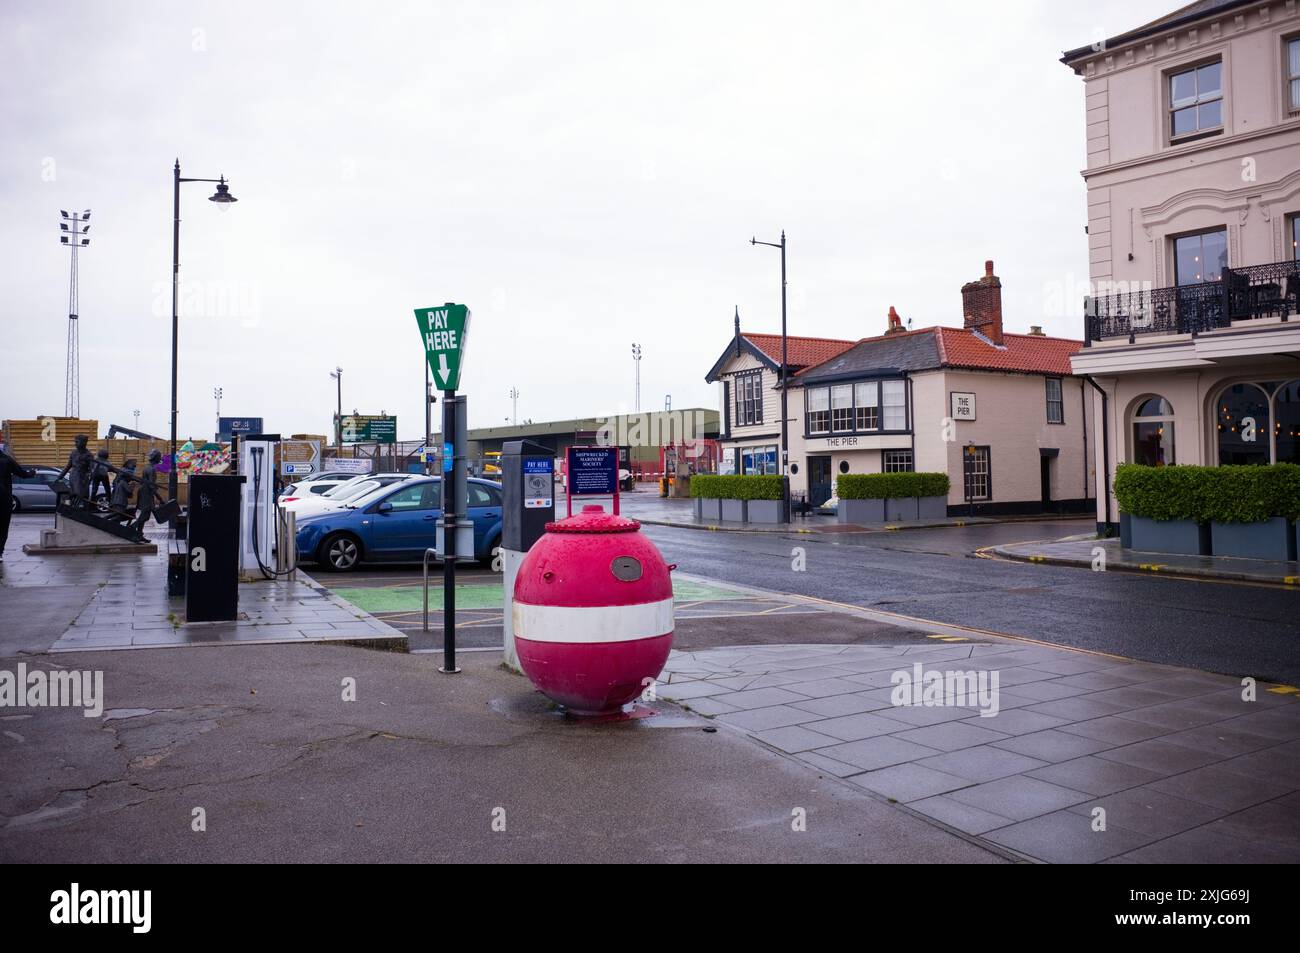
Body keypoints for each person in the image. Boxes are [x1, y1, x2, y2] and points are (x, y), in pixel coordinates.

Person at [0, 448, 36, 560]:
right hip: (3, 498)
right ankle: (0, 552)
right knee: (3, 527)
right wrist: (32, 472)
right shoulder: (7, 460)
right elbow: (22, 473)